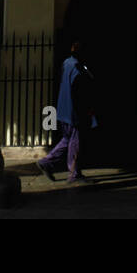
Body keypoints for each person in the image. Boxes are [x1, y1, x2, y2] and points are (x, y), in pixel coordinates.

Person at [37, 39, 97, 184]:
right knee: (75, 141)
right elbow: (80, 92)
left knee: (67, 139)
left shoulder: (66, 63)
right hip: (73, 111)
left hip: (63, 109)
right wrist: (86, 110)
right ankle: (74, 173)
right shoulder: (77, 68)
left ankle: (46, 162)